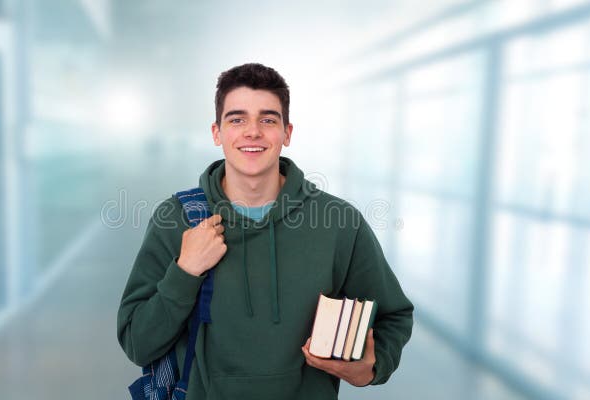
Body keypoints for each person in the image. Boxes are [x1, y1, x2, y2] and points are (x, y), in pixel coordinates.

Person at [118, 63, 413, 399]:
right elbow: (137, 343)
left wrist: (371, 368)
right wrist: (185, 272)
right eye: (237, 119)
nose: (253, 132)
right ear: (217, 132)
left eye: (268, 120)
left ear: (287, 133)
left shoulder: (338, 222)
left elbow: (394, 315)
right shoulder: (177, 218)